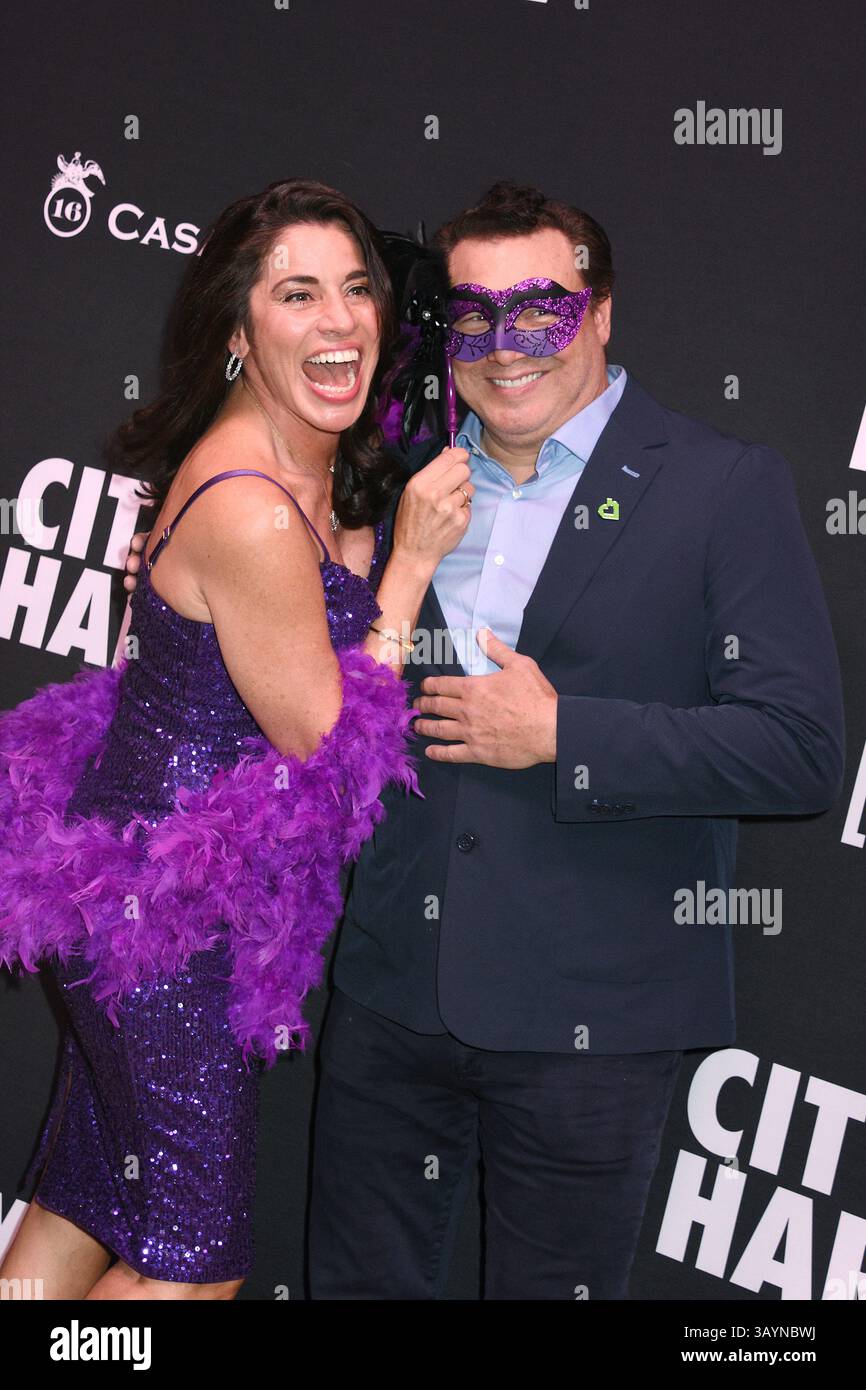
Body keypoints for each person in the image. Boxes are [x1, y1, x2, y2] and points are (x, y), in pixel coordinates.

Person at [124, 181, 845, 1301]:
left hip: (593, 1022)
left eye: (540, 312)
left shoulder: (720, 486)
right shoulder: (394, 481)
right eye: (472, 316)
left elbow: (797, 747)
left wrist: (567, 733)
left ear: (600, 312)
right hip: (386, 1000)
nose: (505, 347)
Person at [0, 176, 472, 1301]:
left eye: (356, 289)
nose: (340, 320)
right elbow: (327, 744)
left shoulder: (301, 468)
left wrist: (373, 518)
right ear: (234, 331)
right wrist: (404, 568)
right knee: (193, 1276)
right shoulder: (250, 506)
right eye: (297, 294)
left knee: (90, 1197)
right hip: (165, 933)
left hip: (153, 911)